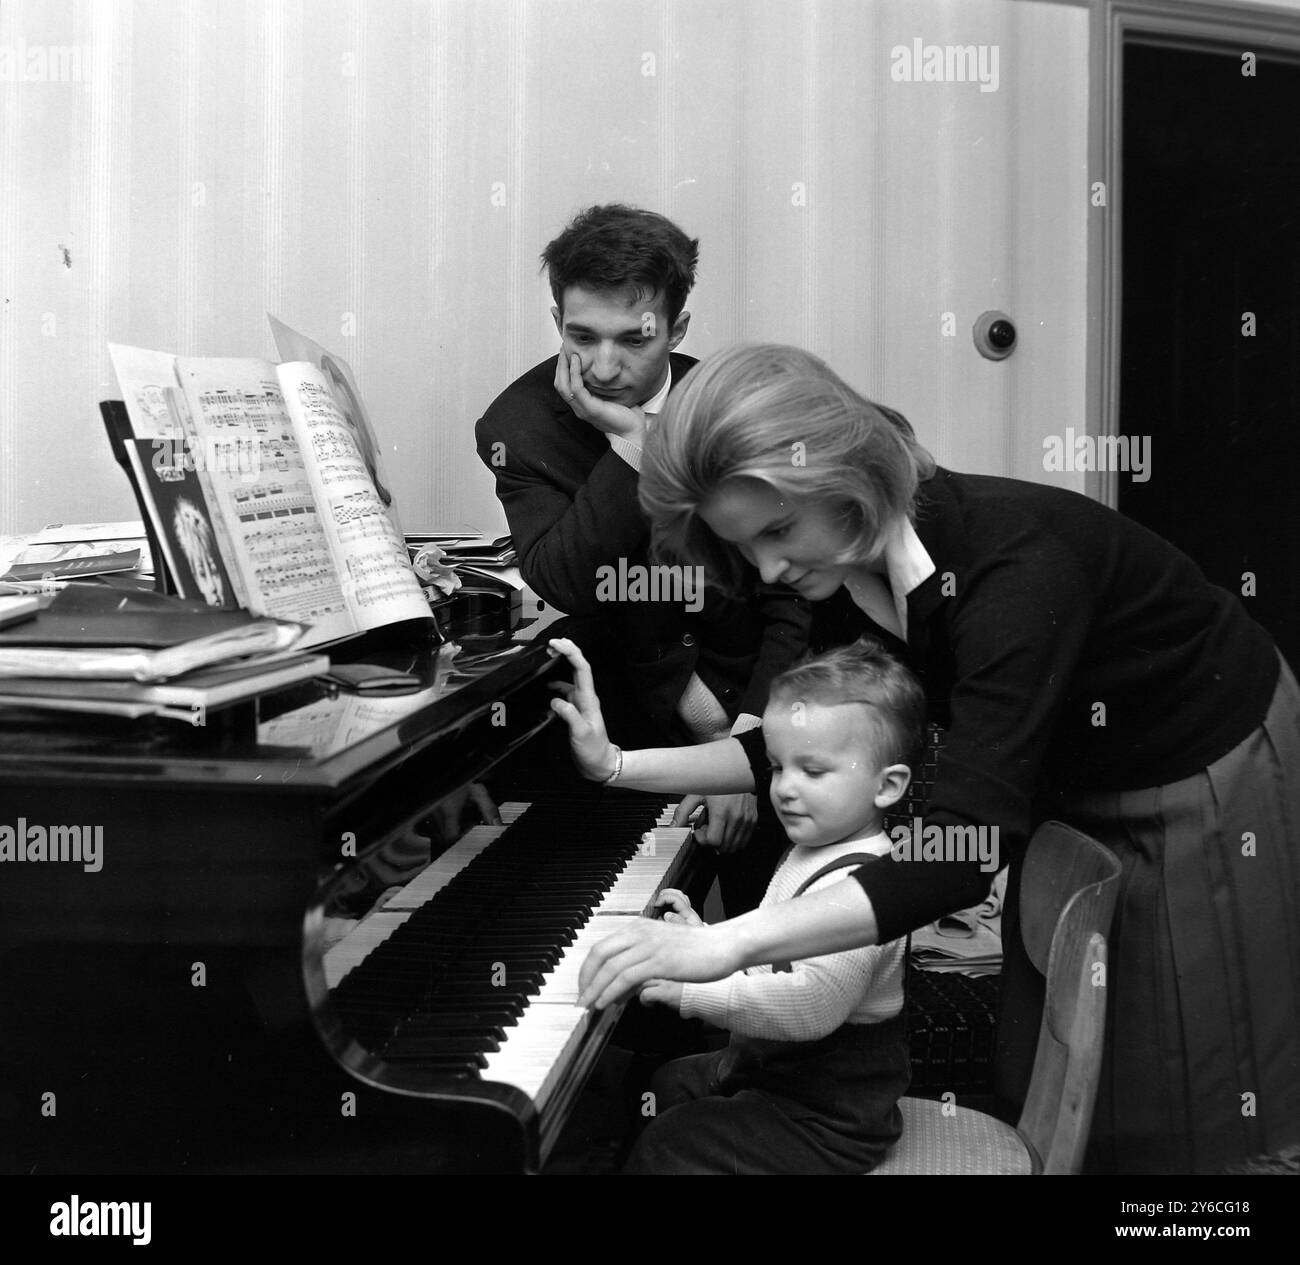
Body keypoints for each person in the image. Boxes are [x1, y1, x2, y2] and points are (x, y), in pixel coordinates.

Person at [550, 342, 1300, 1175]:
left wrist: (726, 945)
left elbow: (957, 861)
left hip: (1202, 757)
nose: (768, 568)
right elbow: (790, 745)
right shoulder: (846, 573)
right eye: (745, 545)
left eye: (777, 531)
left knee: (1198, 1073)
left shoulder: (1016, 572)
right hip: (1082, 769)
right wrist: (617, 766)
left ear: (842, 475)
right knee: (1074, 1061)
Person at [476, 206, 808, 913]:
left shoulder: (733, 408)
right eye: (580, 336)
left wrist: (745, 748)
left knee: (783, 940)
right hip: (630, 709)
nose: (602, 367)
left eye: (634, 340)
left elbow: (794, 594)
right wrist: (630, 444)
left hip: (763, 698)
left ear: (678, 330)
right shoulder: (519, 425)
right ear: (556, 317)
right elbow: (565, 578)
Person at [600, 640, 917, 1174]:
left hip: (827, 1119)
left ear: (887, 787)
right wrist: (700, 935)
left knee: (671, 1143)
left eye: (812, 772)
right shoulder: (814, 849)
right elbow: (769, 949)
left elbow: (811, 1007)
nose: (785, 790)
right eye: (776, 768)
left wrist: (688, 988)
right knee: (668, 1082)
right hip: (773, 1077)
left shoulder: (869, 885)